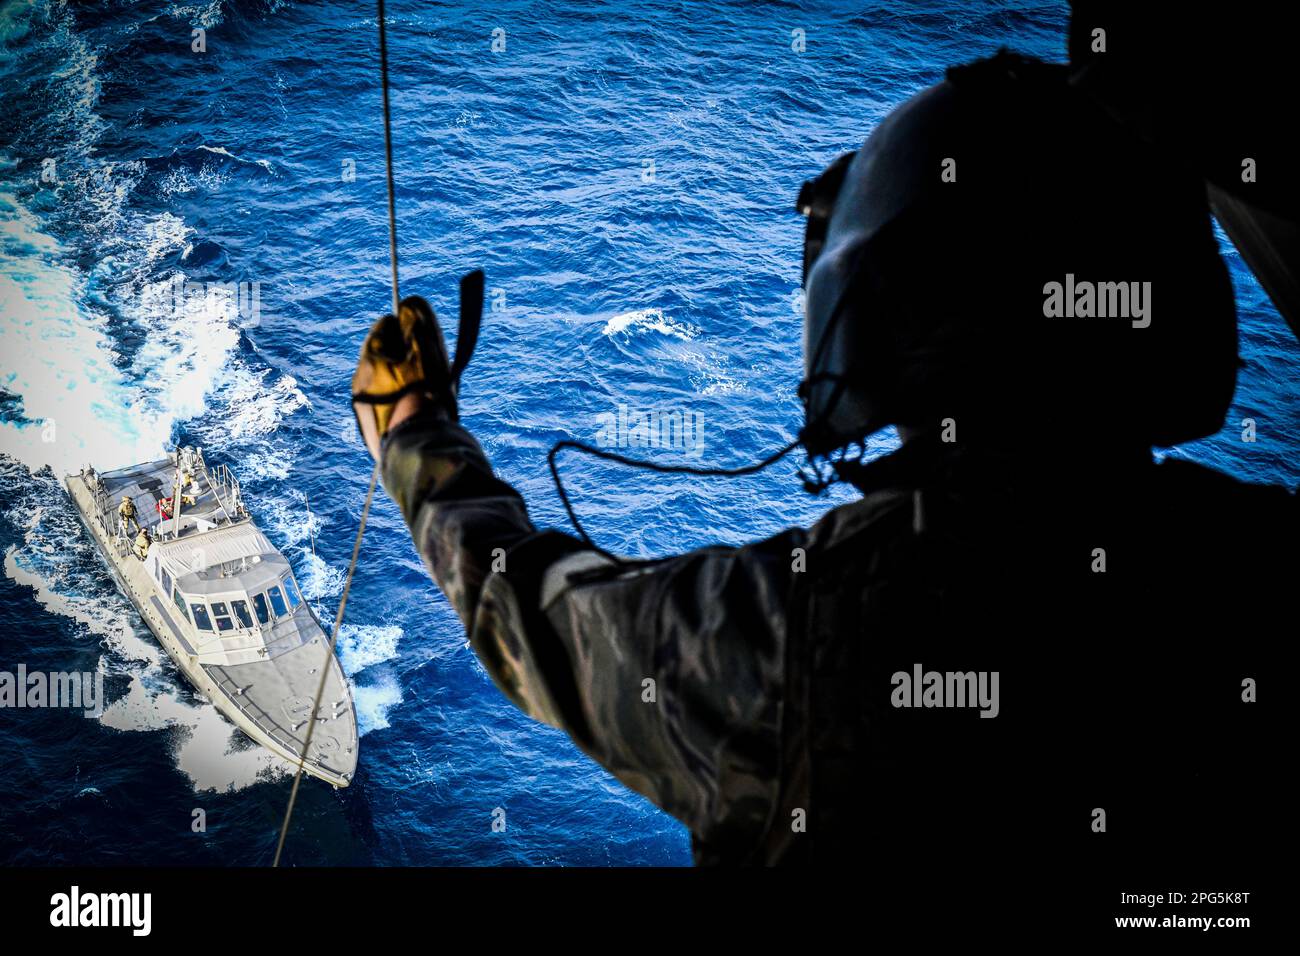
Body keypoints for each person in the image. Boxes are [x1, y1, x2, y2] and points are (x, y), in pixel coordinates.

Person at [352, 51, 1294, 868]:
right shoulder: (1257, 568)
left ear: (874, 313)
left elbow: (535, 618)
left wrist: (412, 429)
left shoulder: (795, 634)